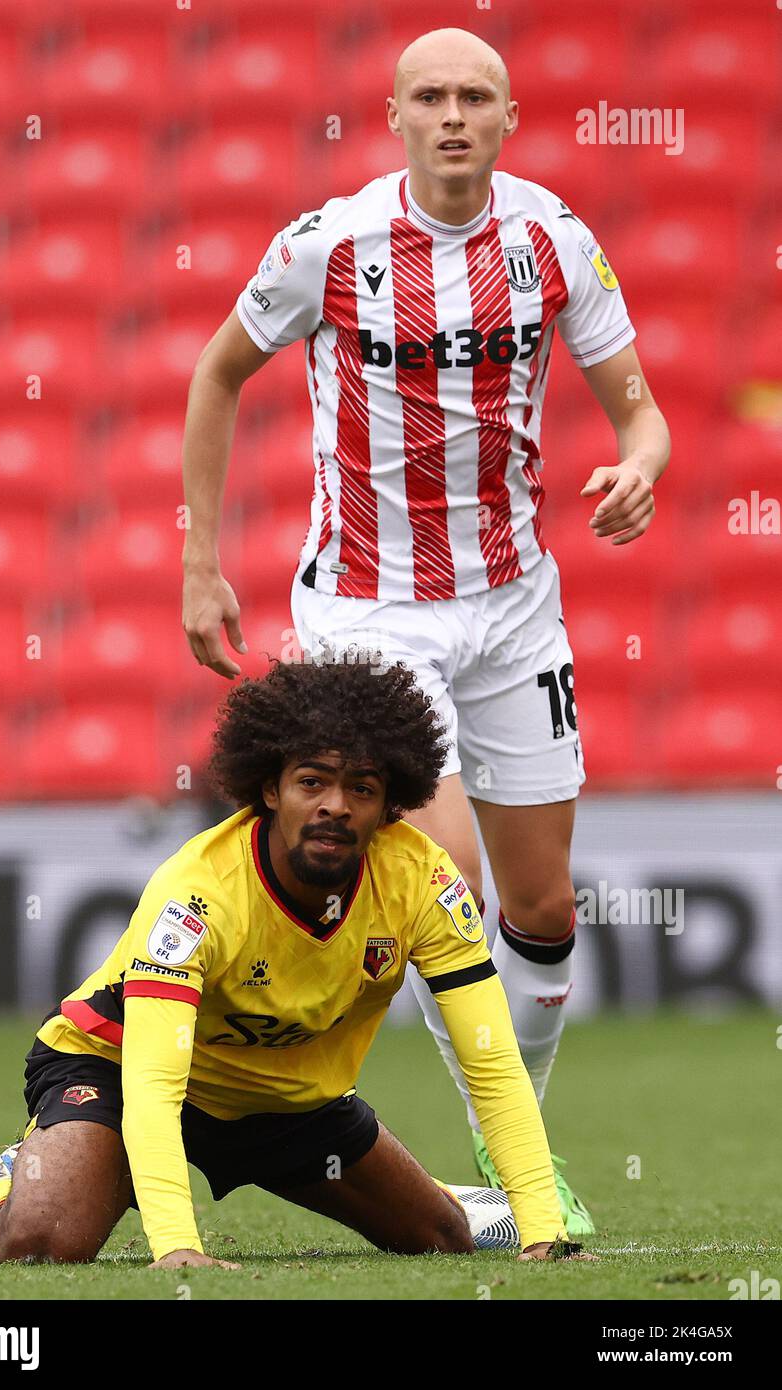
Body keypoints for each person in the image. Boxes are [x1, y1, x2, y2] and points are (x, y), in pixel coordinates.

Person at [180, 27, 671, 1233]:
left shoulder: (554, 240)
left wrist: (641, 469)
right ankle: (527, 1166)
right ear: (395, 116)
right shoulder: (331, 245)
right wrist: (199, 561)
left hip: (516, 607)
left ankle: (511, 1139)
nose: (454, 115)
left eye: (476, 96)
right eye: (432, 97)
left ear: (509, 118)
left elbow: (642, 414)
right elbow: (217, 373)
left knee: (543, 911)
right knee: (447, 877)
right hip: (368, 605)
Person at [0, 660, 587, 1268]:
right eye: (312, 782)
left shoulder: (423, 883)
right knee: (44, 1241)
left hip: (290, 1103)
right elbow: (153, 1082)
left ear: (389, 805)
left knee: (442, 1239)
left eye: (360, 788)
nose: (335, 805)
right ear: (270, 789)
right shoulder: (197, 894)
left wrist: (542, 1231)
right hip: (119, 1071)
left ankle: (451, 1199)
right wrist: (178, 1247)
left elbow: (493, 1063)